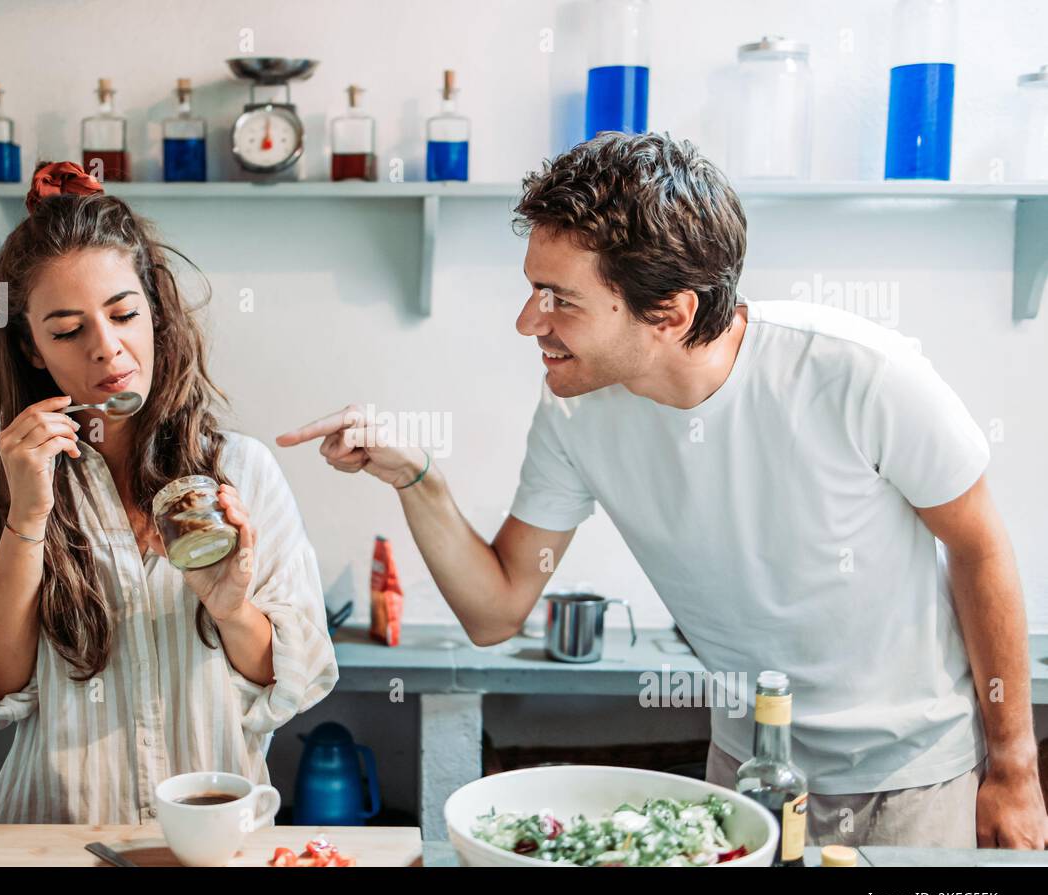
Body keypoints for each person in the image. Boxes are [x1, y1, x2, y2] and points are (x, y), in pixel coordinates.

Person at [278, 132, 1048, 849]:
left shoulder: (858, 373)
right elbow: (497, 608)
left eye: (559, 299)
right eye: (532, 290)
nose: (526, 322)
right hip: (746, 776)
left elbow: (979, 547)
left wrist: (1013, 768)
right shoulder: (574, 410)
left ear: (671, 313)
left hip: (914, 778)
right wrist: (420, 479)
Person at [0, 161, 338, 824]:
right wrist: (28, 518)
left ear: (156, 311)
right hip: (50, 836)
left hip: (212, 837)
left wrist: (231, 608)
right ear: (31, 348)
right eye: (67, 330)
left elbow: (284, 684)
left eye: (123, 314)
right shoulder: (6, 482)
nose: (107, 348)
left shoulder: (243, 471)